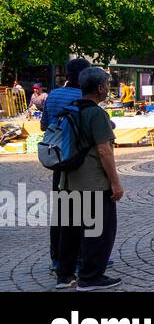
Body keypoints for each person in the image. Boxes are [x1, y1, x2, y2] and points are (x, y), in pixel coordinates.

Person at [54, 66, 124, 291]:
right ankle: (90, 277)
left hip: (67, 180)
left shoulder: (71, 109)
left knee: (70, 231)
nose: (108, 87)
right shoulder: (96, 113)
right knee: (99, 232)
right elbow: (104, 151)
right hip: (92, 183)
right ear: (101, 88)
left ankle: (64, 277)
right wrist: (115, 182)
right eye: (107, 84)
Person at [42, 58, 92, 273]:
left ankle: (57, 258)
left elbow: (44, 124)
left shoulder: (53, 95)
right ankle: (82, 257)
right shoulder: (84, 97)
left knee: (61, 211)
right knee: (85, 211)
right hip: (79, 160)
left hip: (57, 158)